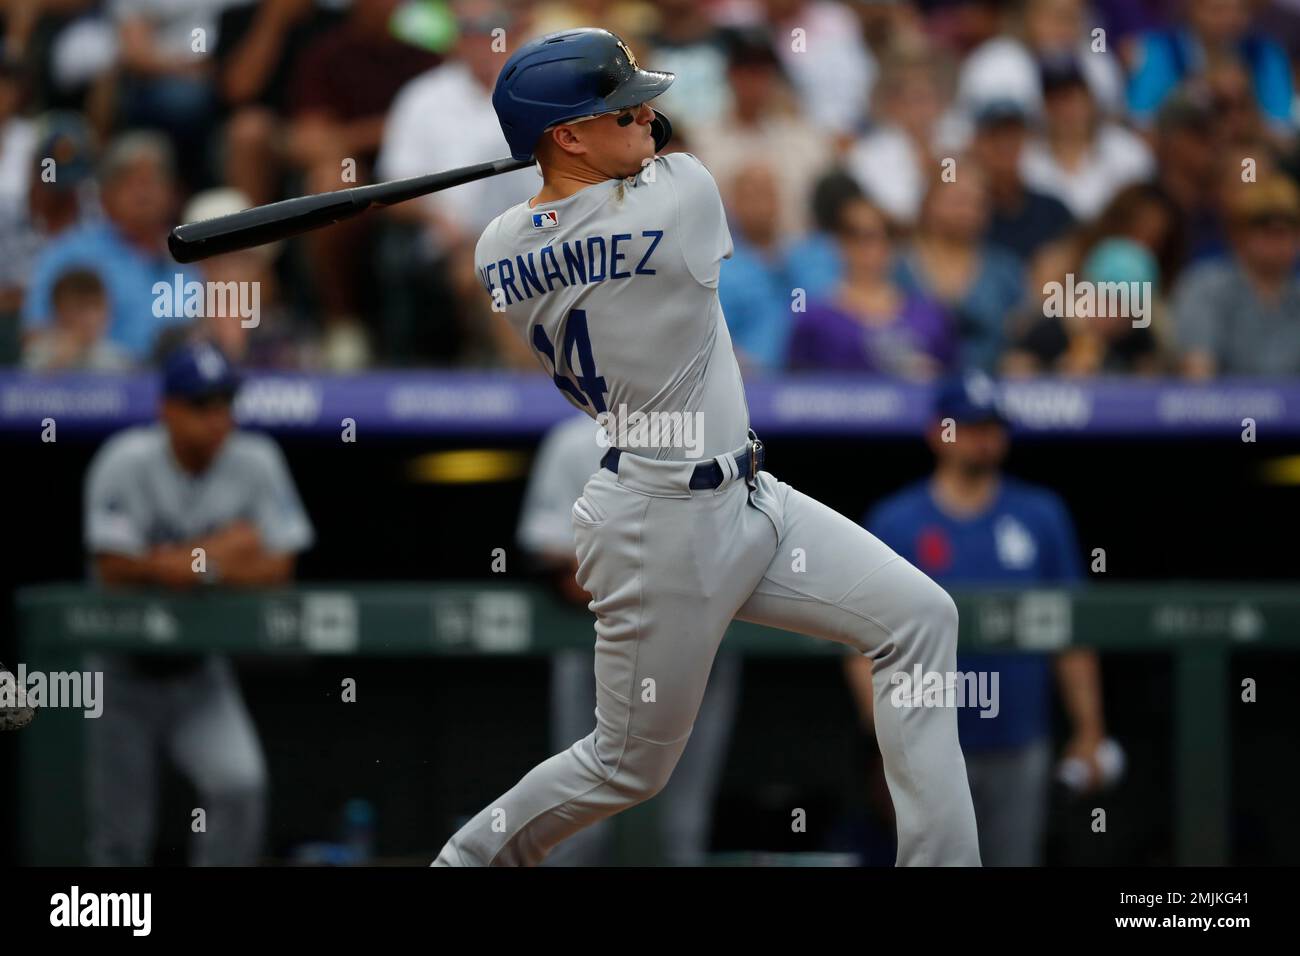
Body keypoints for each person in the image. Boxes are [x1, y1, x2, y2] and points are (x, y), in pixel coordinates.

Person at [432, 28, 980, 867]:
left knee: (919, 619)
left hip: (748, 496)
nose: (646, 114)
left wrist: (559, 159)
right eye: (620, 106)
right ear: (568, 133)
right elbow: (668, 147)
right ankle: (468, 860)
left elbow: (580, 193)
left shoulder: (497, 246)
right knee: (626, 769)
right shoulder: (679, 196)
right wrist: (583, 159)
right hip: (664, 521)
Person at [845, 374, 1108, 866]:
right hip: (927, 748)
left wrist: (1089, 730)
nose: (984, 438)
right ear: (937, 433)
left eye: (992, 426)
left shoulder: (1040, 515)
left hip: (1019, 740)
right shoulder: (896, 520)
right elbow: (860, 647)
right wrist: (885, 745)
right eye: (969, 426)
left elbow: (1074, 632)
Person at [83, 340, 315, 864]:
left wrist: (180, 564)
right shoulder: (124, 459)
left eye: (225, 404)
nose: (218, 419)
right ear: (167, 408)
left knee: (239, 784)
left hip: (199, 675)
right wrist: (225, 551)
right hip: (119, 677)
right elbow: (115, 568)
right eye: (201, 405)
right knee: (121, 833)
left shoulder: (256, 459)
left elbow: (279, 566)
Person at [519, 414, 741, 866]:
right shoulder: (577, 441)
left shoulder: (724, 436)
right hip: (600, 652)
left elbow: (741, 558)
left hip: (696, 655)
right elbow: (561, 566)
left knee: (681, 831)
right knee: (581, 829)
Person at [21, 132, 201, 361]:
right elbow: (35, 336)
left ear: (172, 194)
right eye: (130, 181)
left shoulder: (185, 258)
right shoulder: (68, 253)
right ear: (105, 195)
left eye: (153, 181)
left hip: (172, 387)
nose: (144, 193)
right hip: (97, 386)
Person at [787, 195, 953, 377]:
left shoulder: (930, 317)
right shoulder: (814, 321)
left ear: (893, 244)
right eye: (855, 235)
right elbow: (795, 390)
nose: (868, 248)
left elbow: (952, 386)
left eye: (881, 236)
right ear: (839, 243)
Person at [1171, 175, 1300, 378]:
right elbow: (1197, 374)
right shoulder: (1205, 286)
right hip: (1223, 407)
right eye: (1267, 231)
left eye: (1289, 231)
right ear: (1239, 235)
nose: (1279, 242)